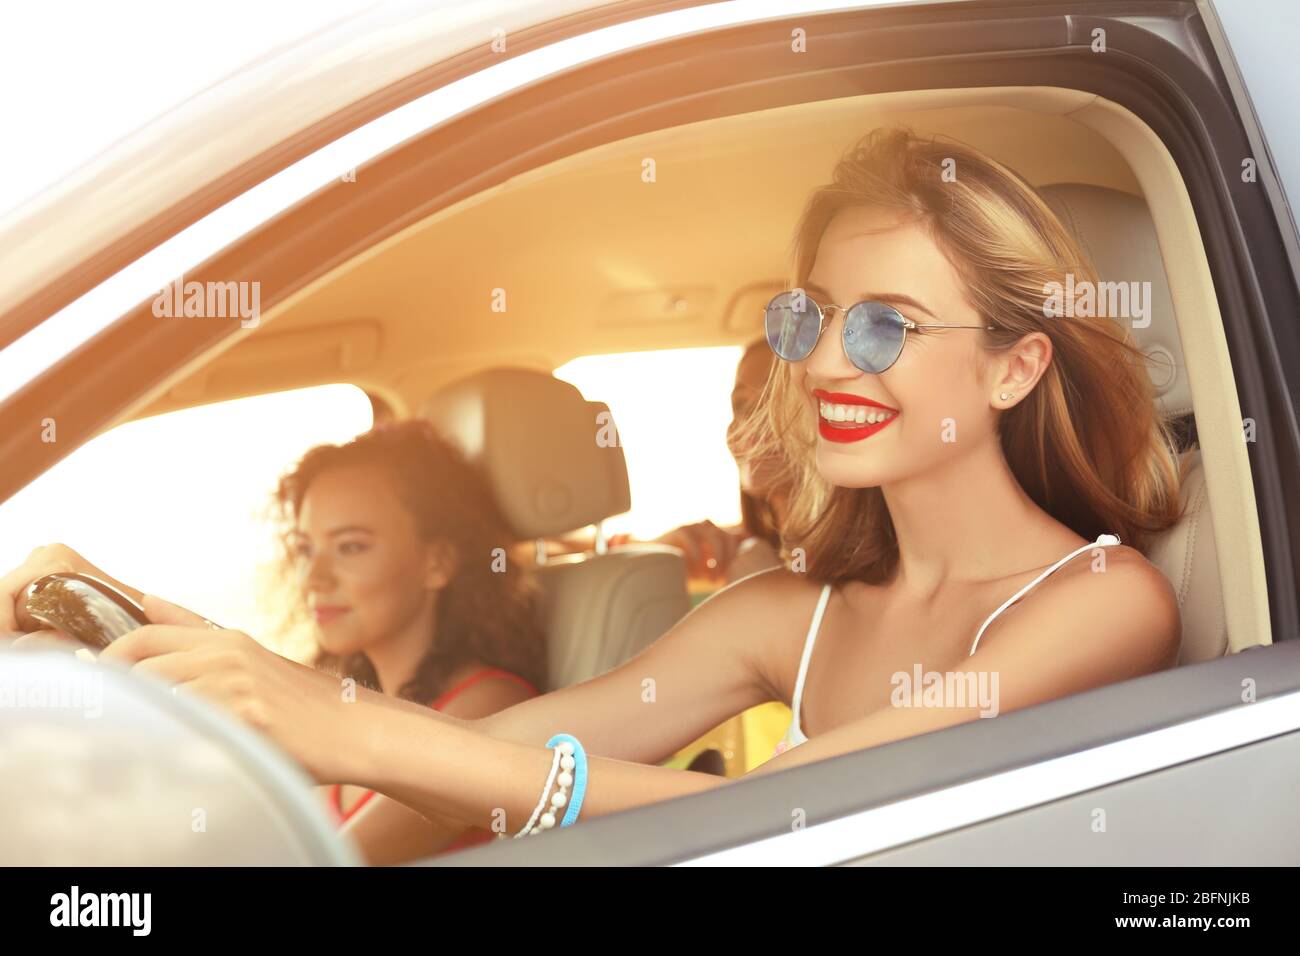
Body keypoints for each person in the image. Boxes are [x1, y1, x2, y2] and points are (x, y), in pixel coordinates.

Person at [2, 127, 1185, 849]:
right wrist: (140, 621)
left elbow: (793, 808)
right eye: (811, 315)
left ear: (1013, 364)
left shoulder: (1105, 601)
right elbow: (507, 745)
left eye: (886, 325)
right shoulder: (791, 612)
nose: (824, 360)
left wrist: (336, 725)